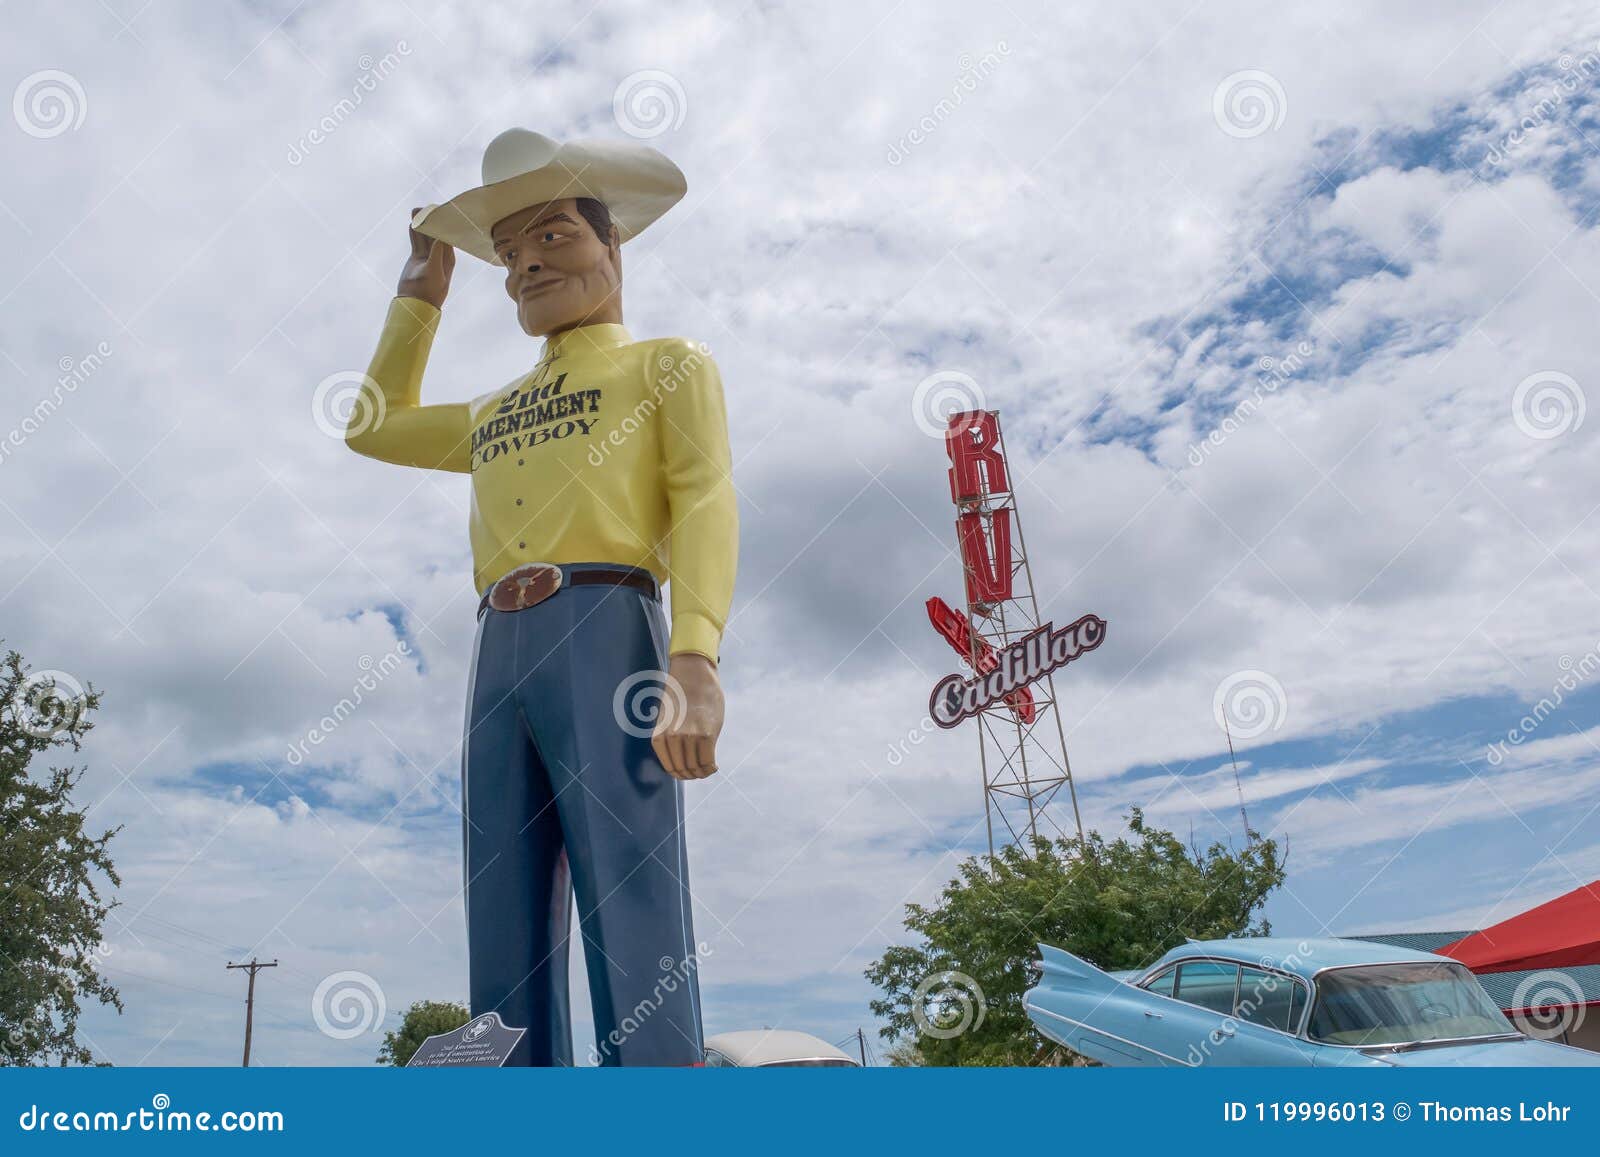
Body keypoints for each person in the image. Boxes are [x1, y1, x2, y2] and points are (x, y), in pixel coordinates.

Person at [344, 129, 737, 1066]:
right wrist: (418, 299)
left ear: (614, 248)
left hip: (608, 626)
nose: (526, 267)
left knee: (628, 888)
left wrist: (695, 656)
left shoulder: (666, 367)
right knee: (501, 901)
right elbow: (369, 425)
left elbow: (706, 500)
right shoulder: (493, 411)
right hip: (498, 650)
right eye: (511, 255)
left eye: (553, 238)